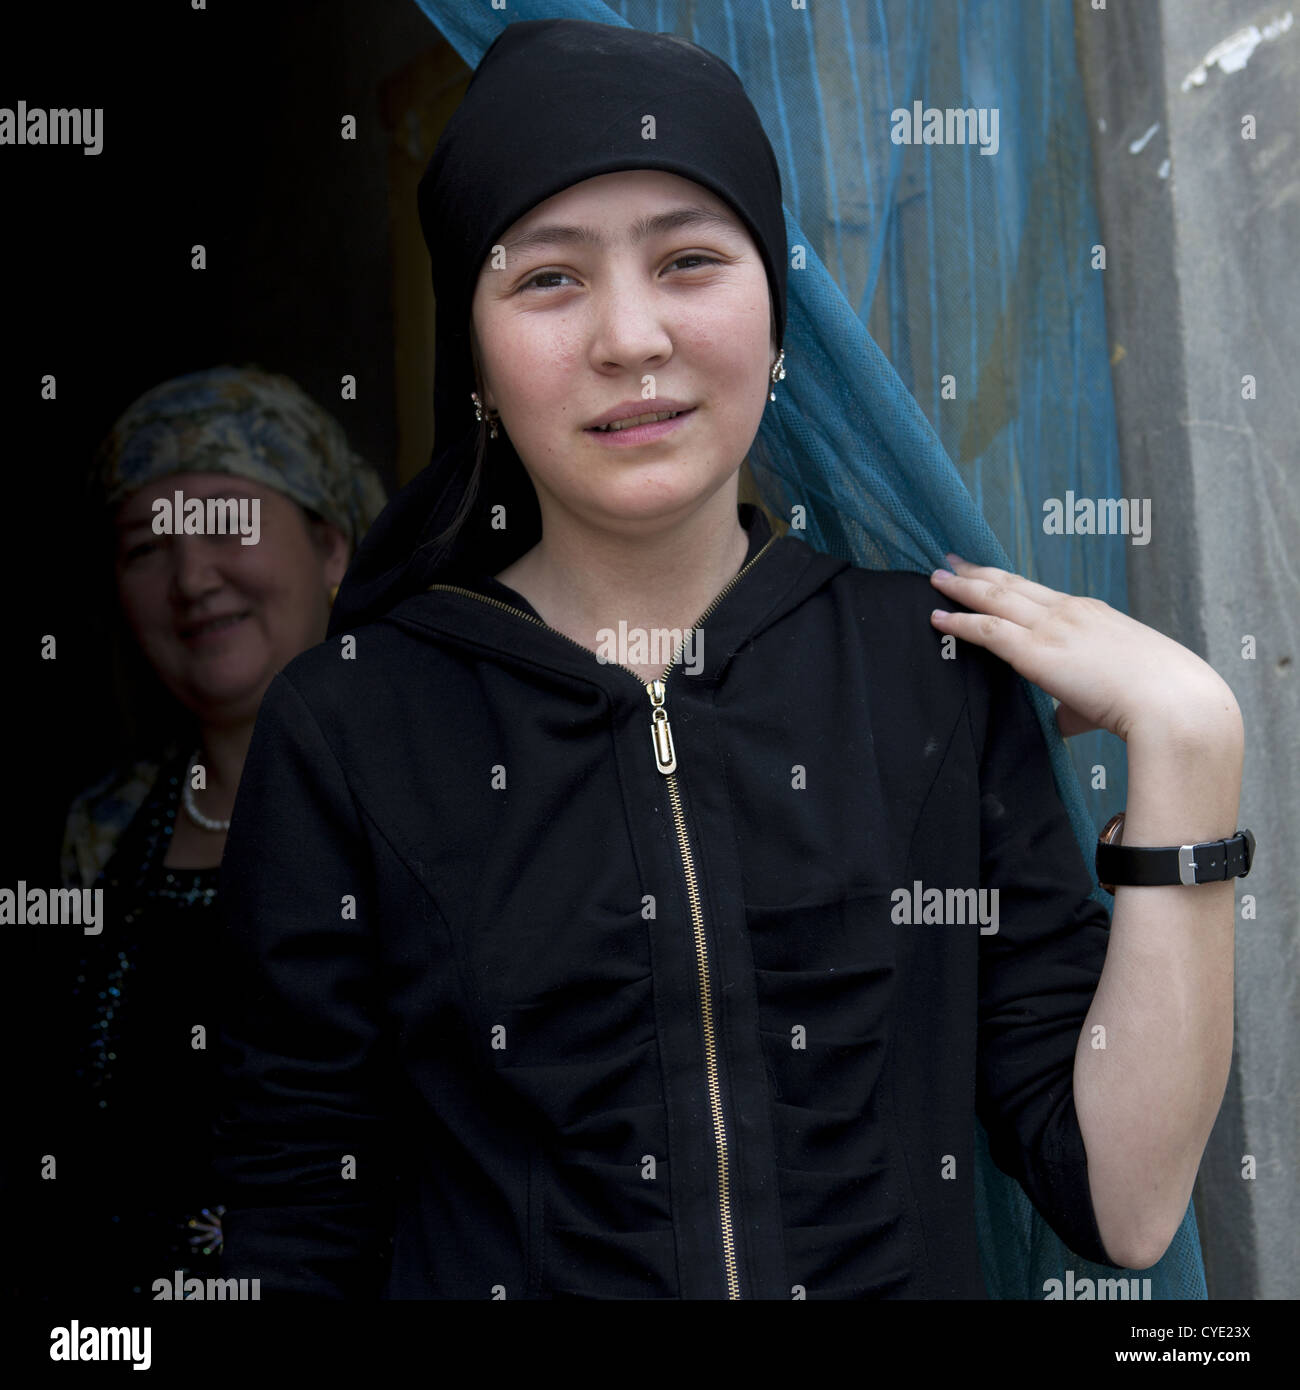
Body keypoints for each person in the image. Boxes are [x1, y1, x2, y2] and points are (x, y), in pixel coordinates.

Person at [213, 20, 1247, 1300]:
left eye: (690, 260)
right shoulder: (355, 720)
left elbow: (1124, 1200)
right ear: (474, 350)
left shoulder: (926, 673)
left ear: (778, 316)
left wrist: (1191, 739)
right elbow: (297, 1216)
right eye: (547, 279)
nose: (630, 336)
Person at [22, 365, 386, 1299]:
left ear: (332, 544)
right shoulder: (98, 832)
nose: (190, 577)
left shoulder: (437, 804)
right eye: (146, 546)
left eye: (225, 524)